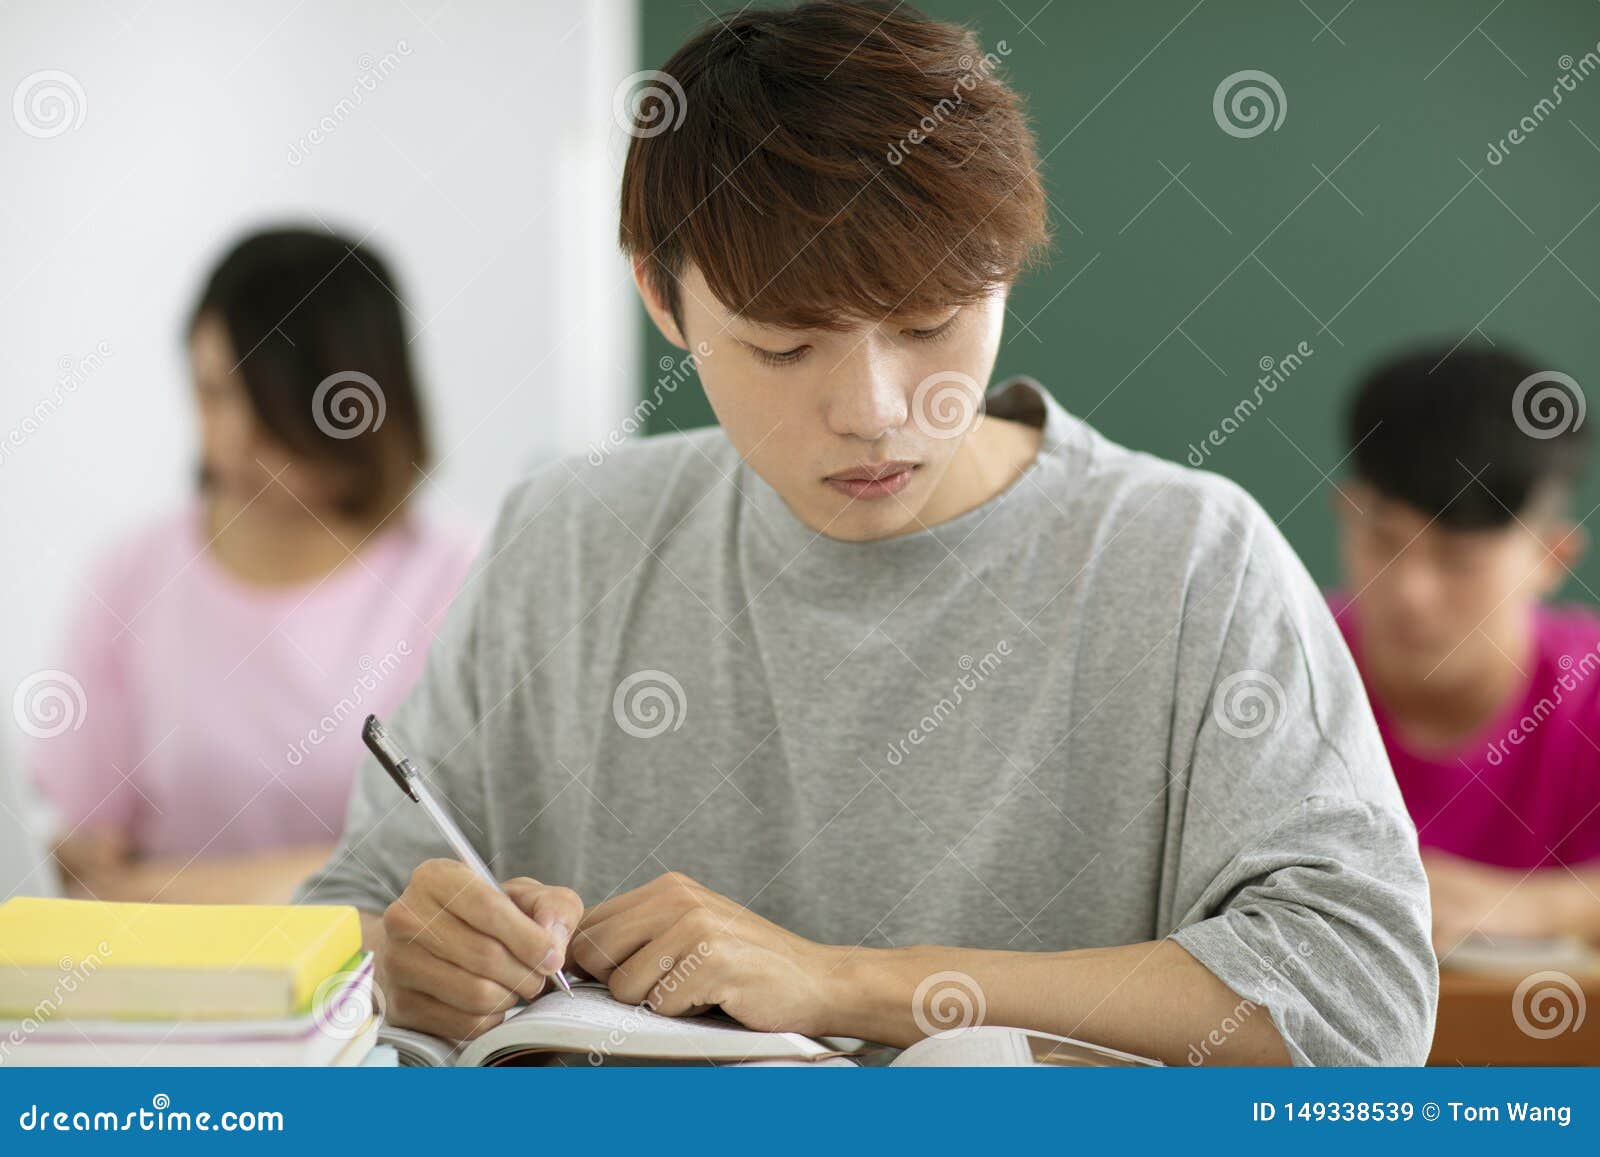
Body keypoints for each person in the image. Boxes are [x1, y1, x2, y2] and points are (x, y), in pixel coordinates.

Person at [298, 1, 1435, 1065]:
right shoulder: (568, 540)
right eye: (786, 347)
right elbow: (351, 911)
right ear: (660, 296)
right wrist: (399, 965)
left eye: (932, 323)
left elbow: (1357, 993)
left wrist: (847, 982)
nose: (878, 410)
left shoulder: (1188, 560)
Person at [30, 227, 478, 905]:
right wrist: (58, 856)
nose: (233, 439)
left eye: (268, 406)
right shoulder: (131, 574)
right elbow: (86, 845)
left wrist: (167, 892)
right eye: (211, 394)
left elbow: (459, 856)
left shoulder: (460, 578)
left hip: (383, 993)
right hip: (162, 985)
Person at [1330, 343, 1600, 953]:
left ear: (1552, 557)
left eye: (1457, 559)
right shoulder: (1276, 664)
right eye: (1383, 539)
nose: (1411, 592)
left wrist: (1535, 905)